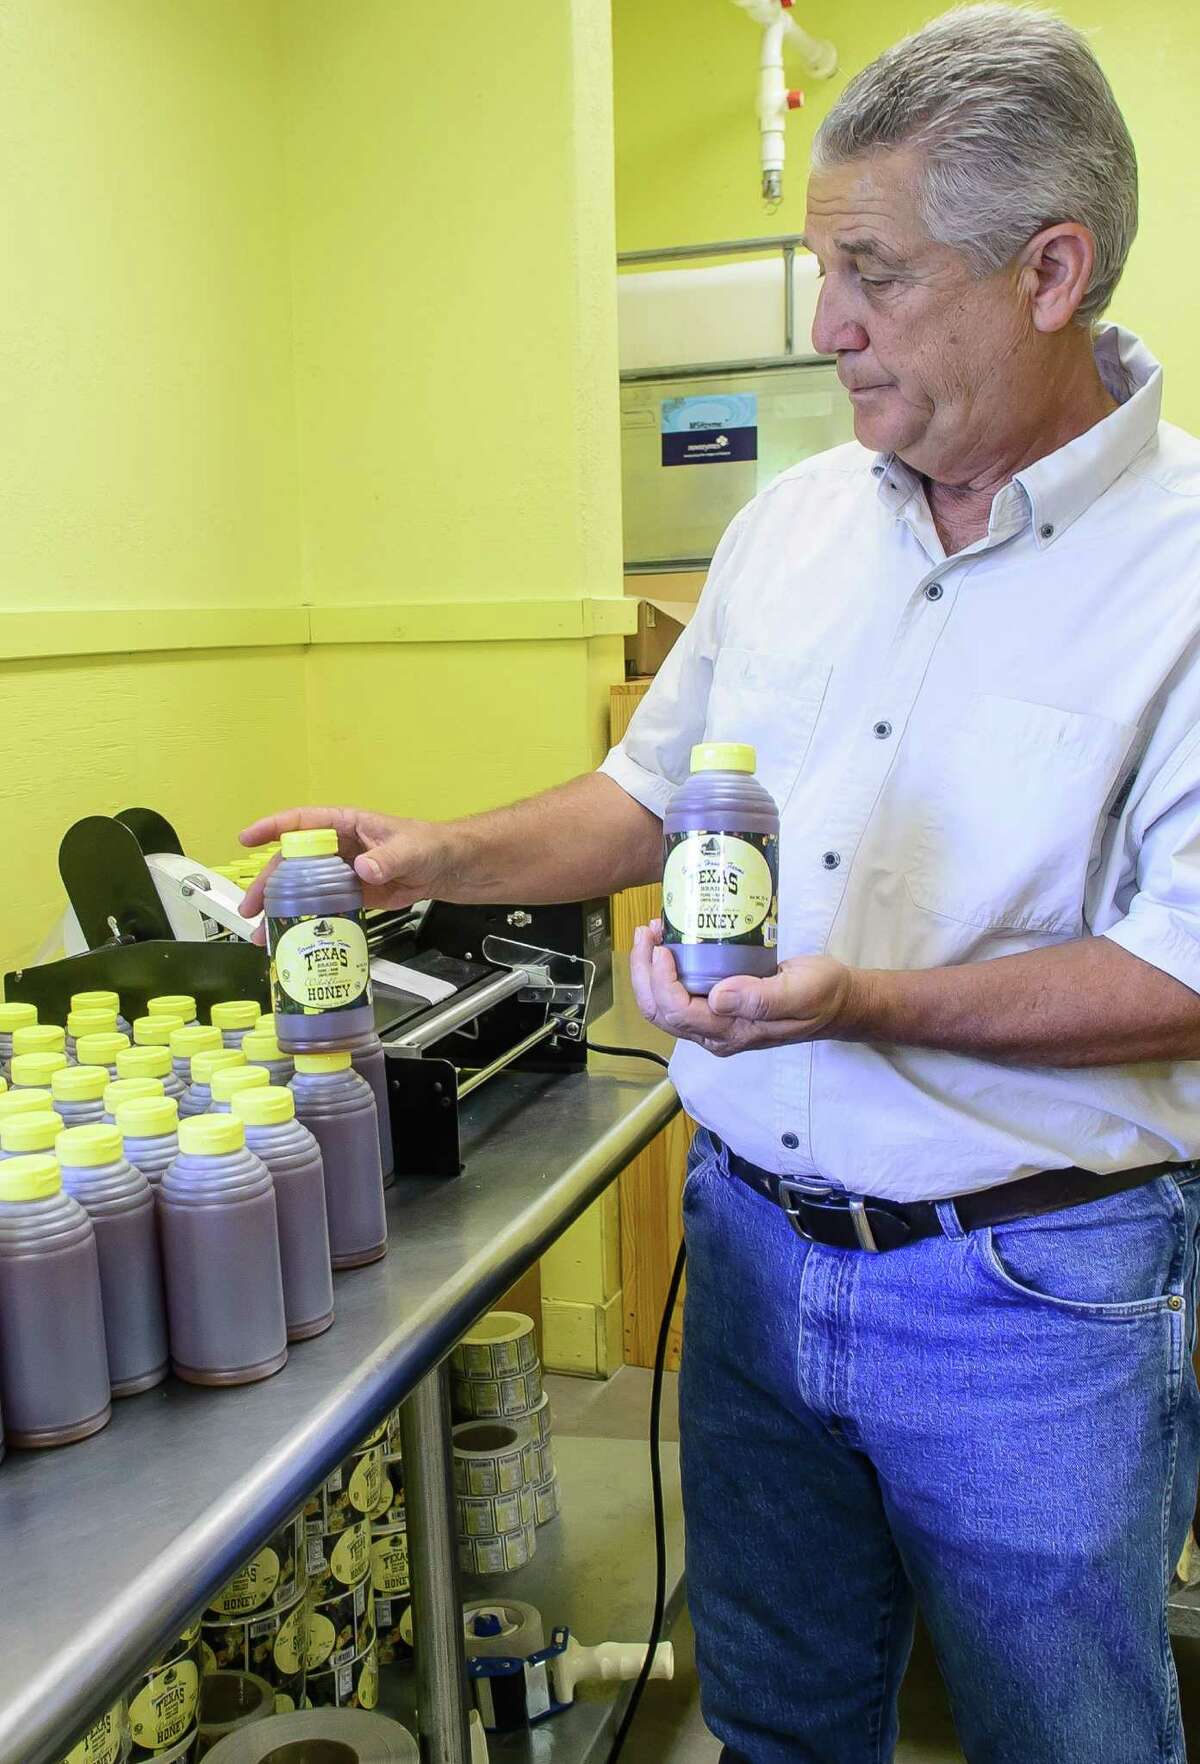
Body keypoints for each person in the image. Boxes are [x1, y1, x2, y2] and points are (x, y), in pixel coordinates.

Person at [242, 7, 1200, 1758]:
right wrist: (437, 859)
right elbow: (651, 791)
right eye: (822, 267)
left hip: (1028, 1297)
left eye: (873, 274)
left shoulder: (1184, 569)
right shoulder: (797, 524)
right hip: (750, 1249)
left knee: (1070, 1738)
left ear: (1051, 272)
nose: (827, 324)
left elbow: (1186, 973)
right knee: (778, 1722)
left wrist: (861, 1004)